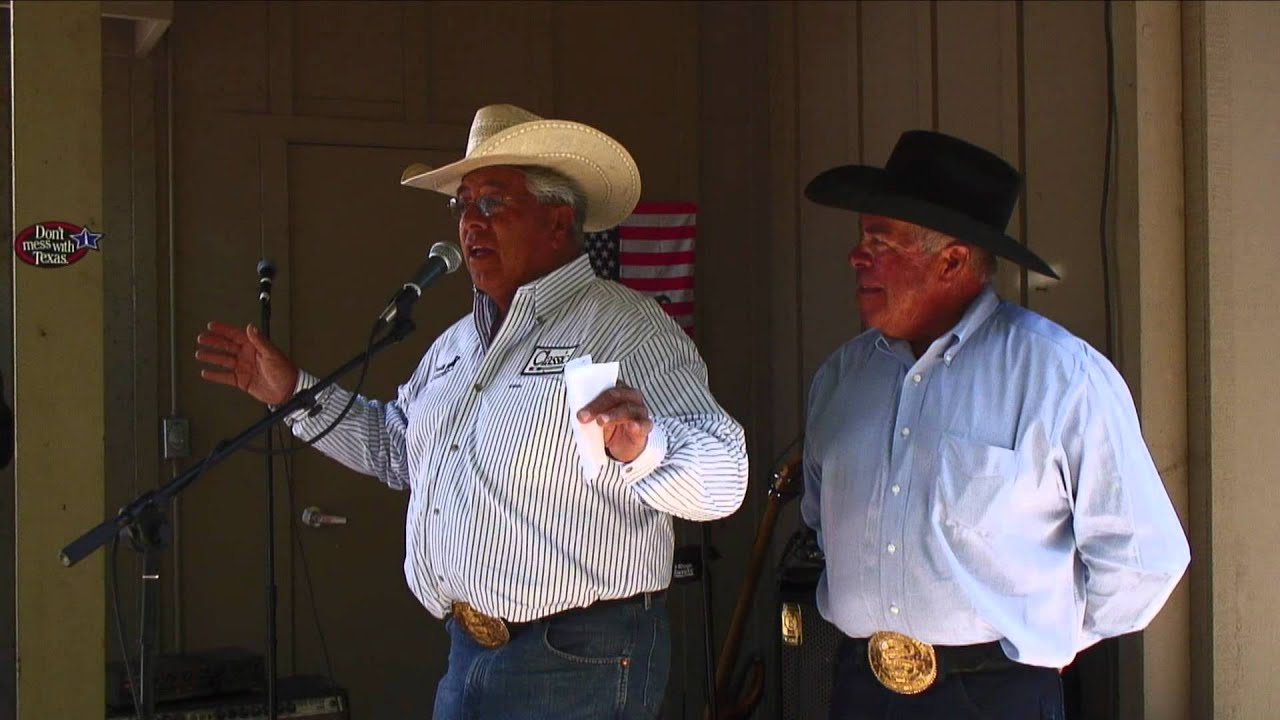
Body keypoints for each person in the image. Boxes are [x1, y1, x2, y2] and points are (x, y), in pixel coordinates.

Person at [195, 104, 749, 719]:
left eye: (491, 202)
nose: (469, 223)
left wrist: (645, 447)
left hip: (579, 657)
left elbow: (726, 477)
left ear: (557, 220)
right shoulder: (455, 345)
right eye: (461, 205)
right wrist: (292, 394)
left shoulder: (626, 328)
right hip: (467, 652)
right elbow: (396, 448)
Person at [800, 130, 1189, 719]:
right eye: (861, 238)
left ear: (953, 259)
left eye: (881, 241)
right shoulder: (841, 379)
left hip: (994, 694)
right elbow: (820, 521)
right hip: (861, 687)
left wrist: (1052, 639)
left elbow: (1143, 556)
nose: (858, 256)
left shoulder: (1061, 376)